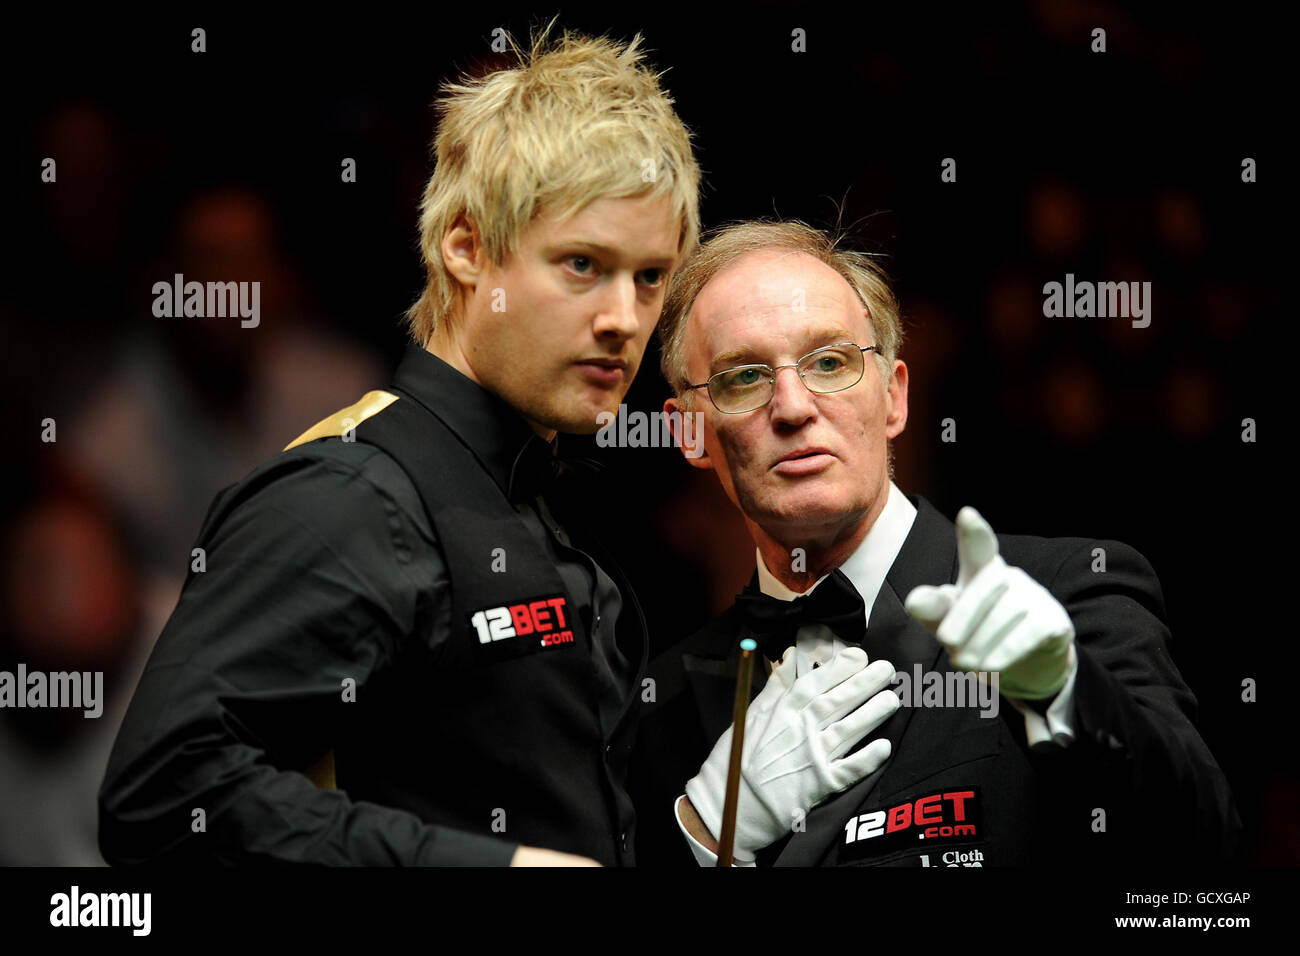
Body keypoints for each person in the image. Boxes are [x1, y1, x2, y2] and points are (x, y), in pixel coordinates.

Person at [98, 25, 701, 866]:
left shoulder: (543, 488)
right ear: (466, 248)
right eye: (581, 264)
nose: (623, 319)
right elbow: (163, 793)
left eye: (649, 276)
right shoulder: (351, 492)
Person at [631, 220, 1243, 867]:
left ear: (894, 395)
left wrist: (1064, 690)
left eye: (831, 362)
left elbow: (1208, 849)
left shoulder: (1067, 590)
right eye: (743, 377)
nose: (793, 406)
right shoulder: (658, 701)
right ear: (691, 433)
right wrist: (703, 839)